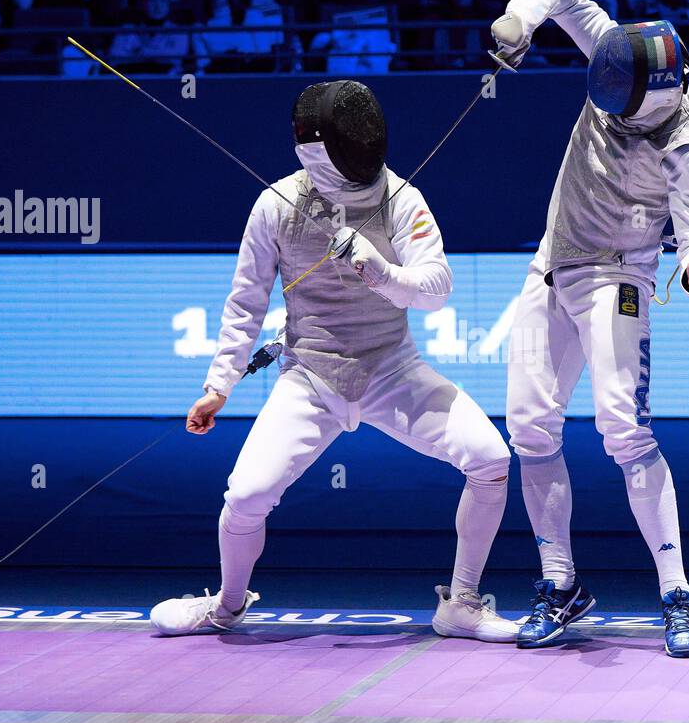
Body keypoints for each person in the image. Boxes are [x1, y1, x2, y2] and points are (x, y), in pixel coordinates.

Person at [150, 80, 517, 644]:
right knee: (245, 496)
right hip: (310, 378)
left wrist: (382, 271)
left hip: (392, 371)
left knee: (491, 458)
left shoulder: (401, 198)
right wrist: (219, 384)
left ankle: (461, 603)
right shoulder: (275, 205)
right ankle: (226, 605)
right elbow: (246, 300)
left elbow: (438, 286)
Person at [490, 0, 689, 658]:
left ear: (660, 99)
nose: (610, 108)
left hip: (618, 274)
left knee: (623, 427)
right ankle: (559, 583)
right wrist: (516, 18)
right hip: (551, 263)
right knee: (528, 424)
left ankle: (676, 593)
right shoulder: (620, 54)